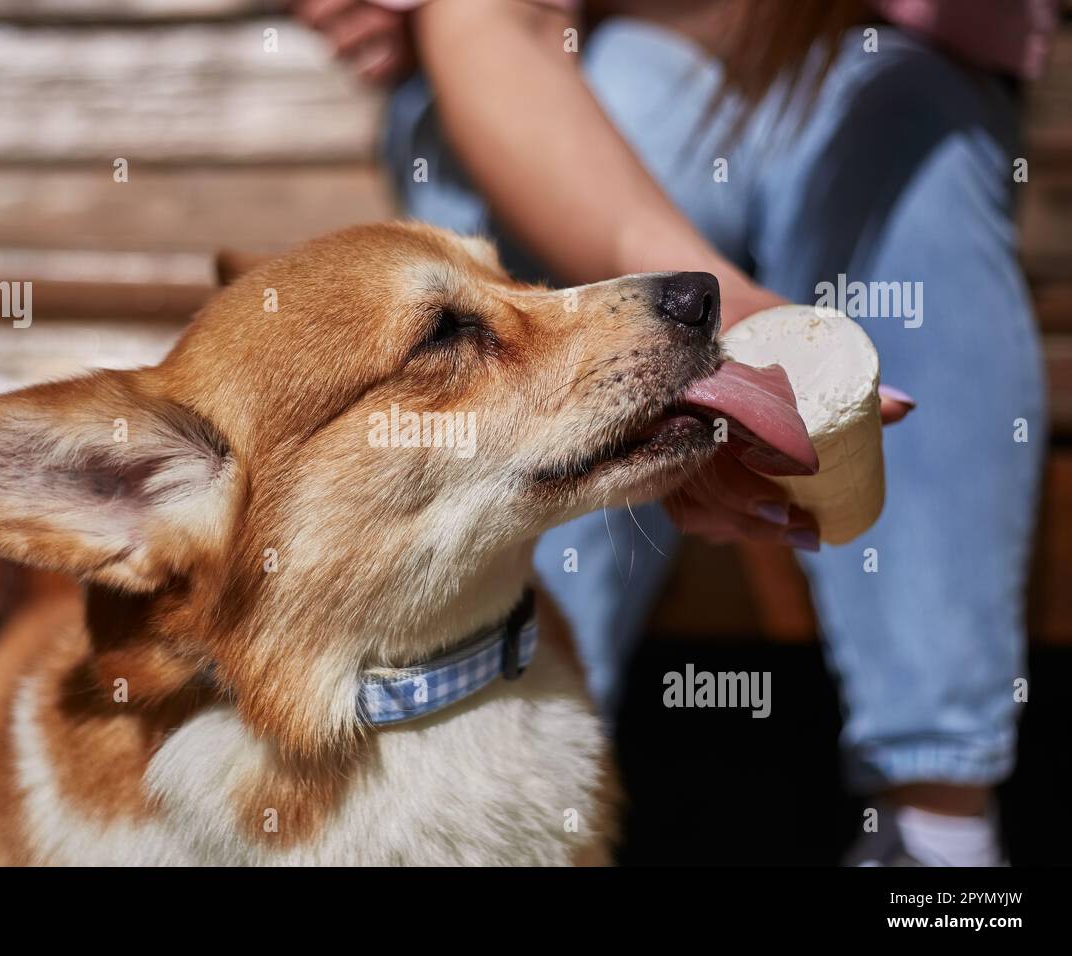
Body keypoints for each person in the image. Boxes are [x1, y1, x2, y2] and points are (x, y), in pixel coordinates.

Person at [292, 0, 1055, 866]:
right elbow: (500, 27)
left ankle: (936, 837)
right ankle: (498, 805)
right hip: (571, 79)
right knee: (634, 97)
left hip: (894, 72)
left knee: (913, 159)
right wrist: (712, 323)